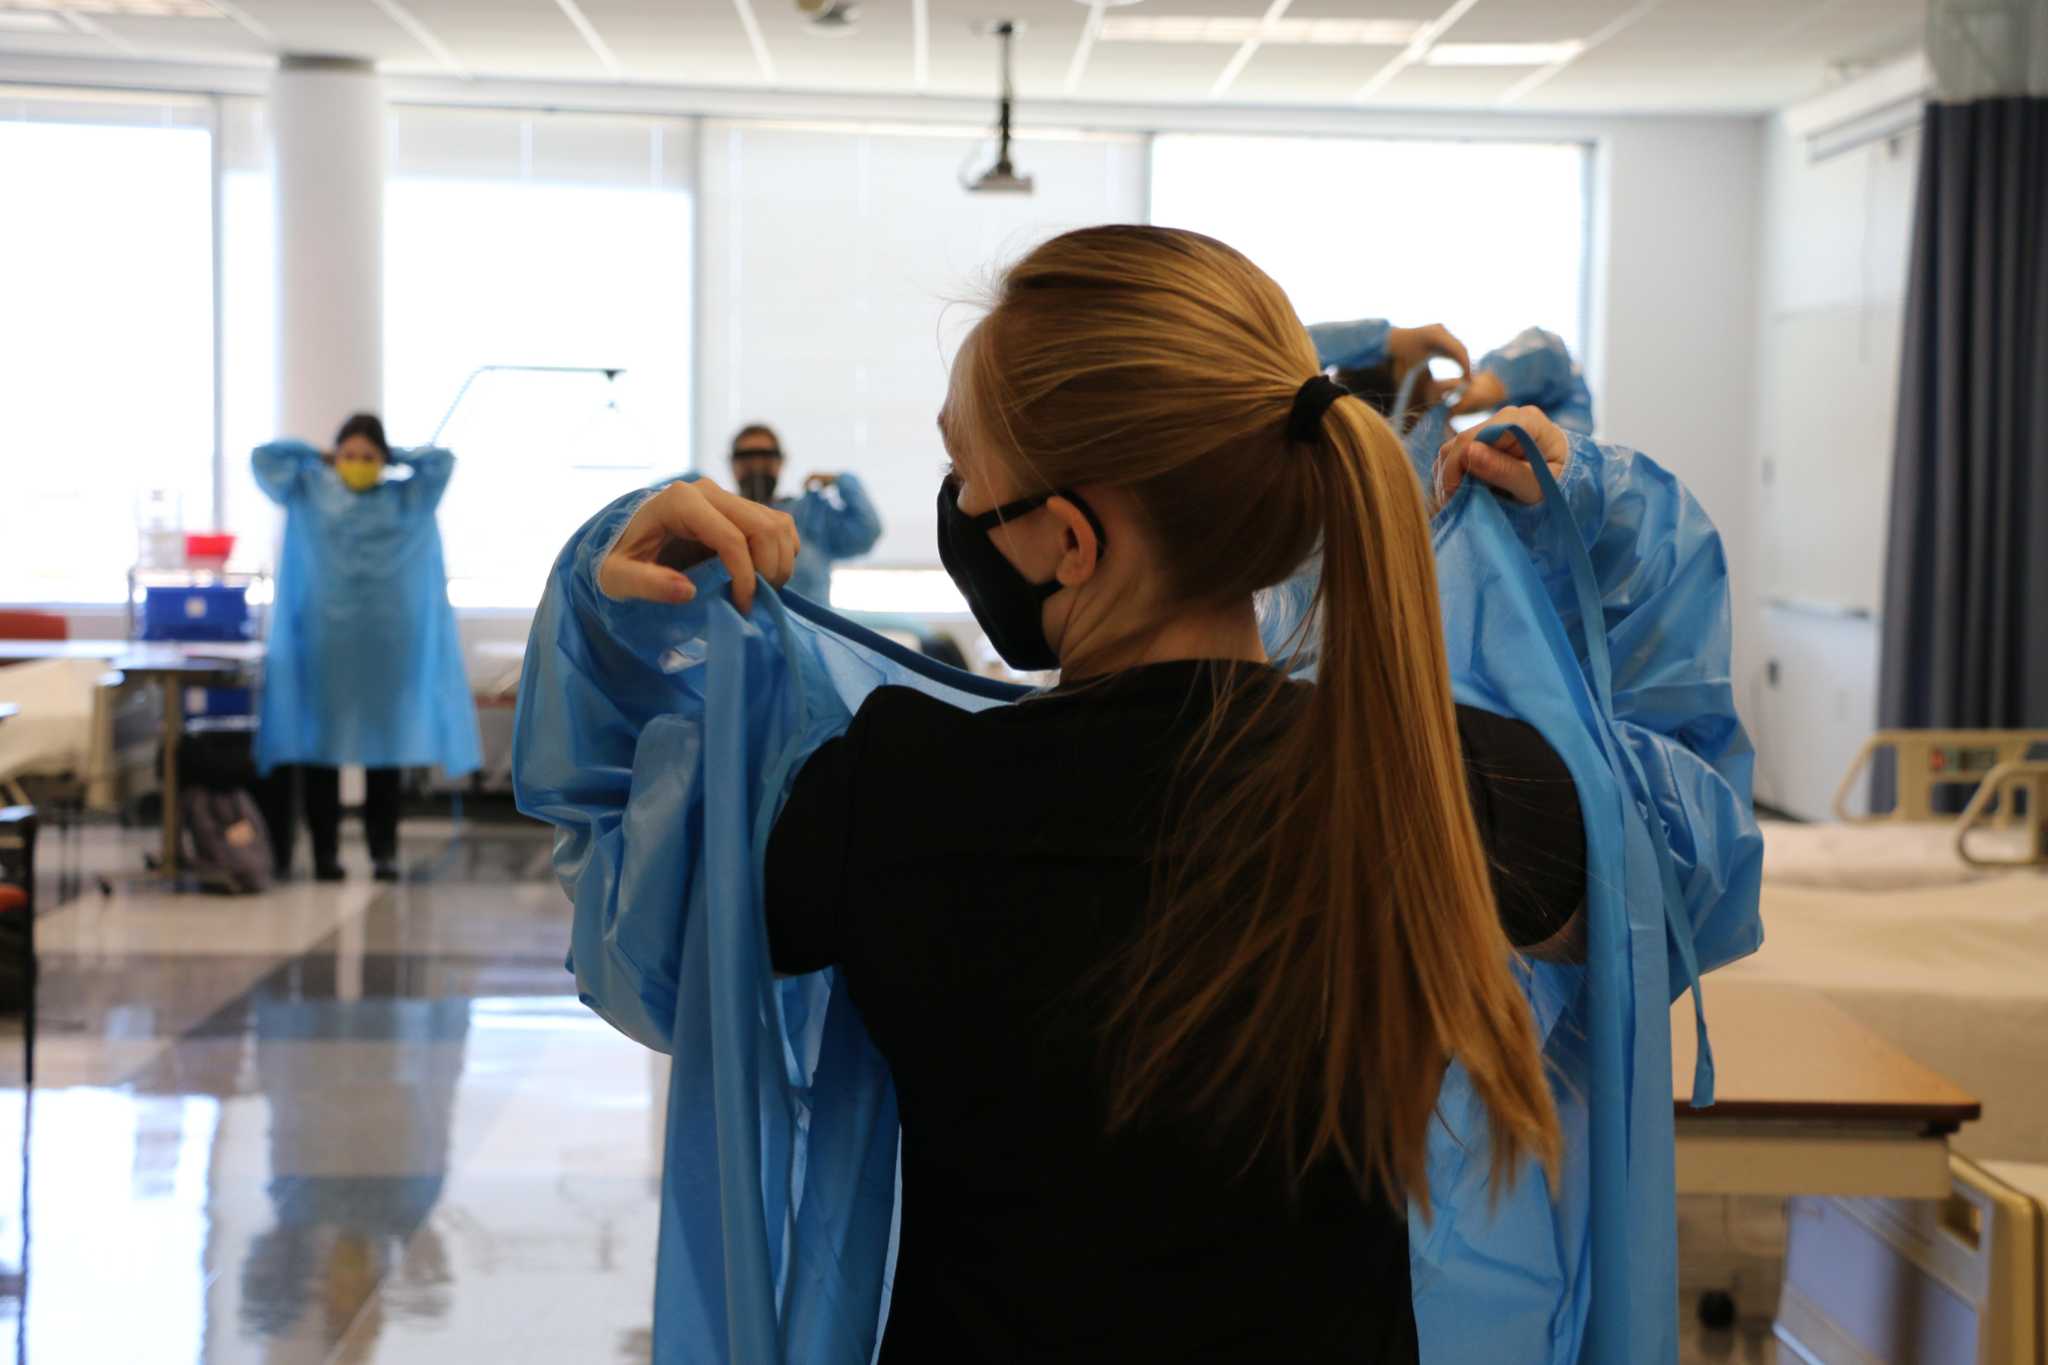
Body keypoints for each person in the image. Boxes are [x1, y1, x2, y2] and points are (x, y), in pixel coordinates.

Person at [517, 225, 1758, 1364]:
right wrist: (1601, 538)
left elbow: (638, 905)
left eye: (964, 471)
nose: (955, 509)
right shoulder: (1429, 782)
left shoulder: (886, 799)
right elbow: (1677, 870)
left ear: (1069, 539)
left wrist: (608, 593)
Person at [252, 413, 481, 882]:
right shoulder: (309, 492)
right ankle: (324, 856)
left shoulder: (405, 499)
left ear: (383, 459)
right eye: (348, 455)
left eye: (367, 456)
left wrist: (398, 457)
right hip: (323, 647)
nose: (356, 464)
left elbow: (441, 463)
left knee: (385, 754)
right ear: (335, 456)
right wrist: (317, 455)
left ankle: (384, 853)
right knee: (320, 753)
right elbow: (264, 459)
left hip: (386, 650)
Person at [1309, 316, 1596, 435]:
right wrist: (1501, 381)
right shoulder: (1488, 501)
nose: (1446, 392)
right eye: (1428, 390)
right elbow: (1570, 395)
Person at [728, 422, 881, 602]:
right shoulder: (718, 516)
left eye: (766, 456)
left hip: (808, 629)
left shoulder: (811, 513)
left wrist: (841, 480)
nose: (757, 465)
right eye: (746, 457)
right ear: (732, 463)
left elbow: (866, 531)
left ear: (781, 462)